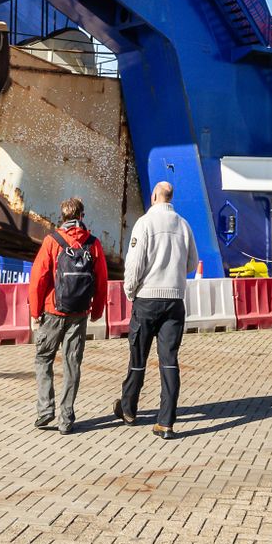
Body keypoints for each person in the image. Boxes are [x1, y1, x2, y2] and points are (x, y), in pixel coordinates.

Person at [116, 181, 198, 438]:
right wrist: (173, 277)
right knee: (169, 362)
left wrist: (131, 292)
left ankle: (129, 410)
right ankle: (166, 422)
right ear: (171, 198)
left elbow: (135, 264)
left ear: (154, 197)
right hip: (175, 302)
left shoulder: (144, 224)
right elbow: (192, 262)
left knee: (138, 359)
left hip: (147, 300)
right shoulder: (184, 225)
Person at [30, 196, 108, 434]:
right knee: (72, 363)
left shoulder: (52, 241)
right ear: (81, 217)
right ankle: (66, 418)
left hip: (53, 311)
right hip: (79, 314)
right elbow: (102, 280)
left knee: (44, 359)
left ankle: (45, 410)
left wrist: (35, 312)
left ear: (62, 217)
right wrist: (96, 311)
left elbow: (38, 279)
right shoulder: (93, 243)